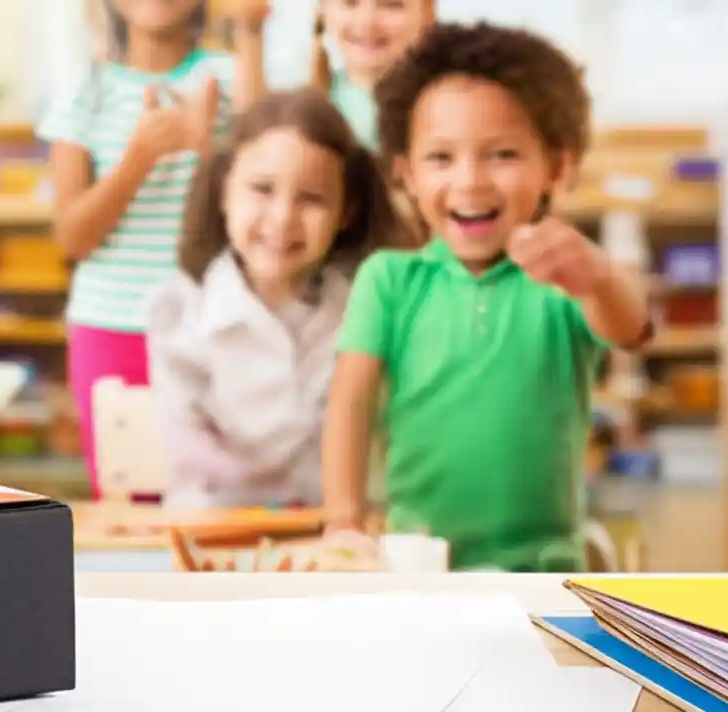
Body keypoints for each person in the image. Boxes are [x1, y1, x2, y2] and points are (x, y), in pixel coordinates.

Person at [321, 22, 653, 572]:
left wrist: (597, 278)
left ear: (557, 166)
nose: (470, 181)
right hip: (418, 567)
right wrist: (343, 522)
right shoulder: (388, 280)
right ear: (404, 174)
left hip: (547, 570)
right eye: (441, 158)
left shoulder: (565, 280)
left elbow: (632, 330)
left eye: (501, 154)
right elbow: (350, 403)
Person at [37, 0, 269, 497]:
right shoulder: (87, 88)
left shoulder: (230, 78)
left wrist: (211, 157)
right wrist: (140, 157)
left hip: (211, 329)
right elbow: (72, 237)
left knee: (217, 500)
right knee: (130, 503)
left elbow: (264, 189)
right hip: (109, 331)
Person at [147, 88, 399, 508]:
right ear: (225, 190)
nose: (283, 219)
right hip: (214, 533)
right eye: (262, 189)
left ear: (346, 212)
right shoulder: (178, 311)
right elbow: (190, 453)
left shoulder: (366, 309)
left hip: (332, 538)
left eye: (312, 198)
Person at [311, 0, 434, 149]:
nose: (367, 21)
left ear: (427, 13)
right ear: (323, 10)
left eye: (391, 5)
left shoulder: (450, 110)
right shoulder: (299, 112)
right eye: (350, 3)